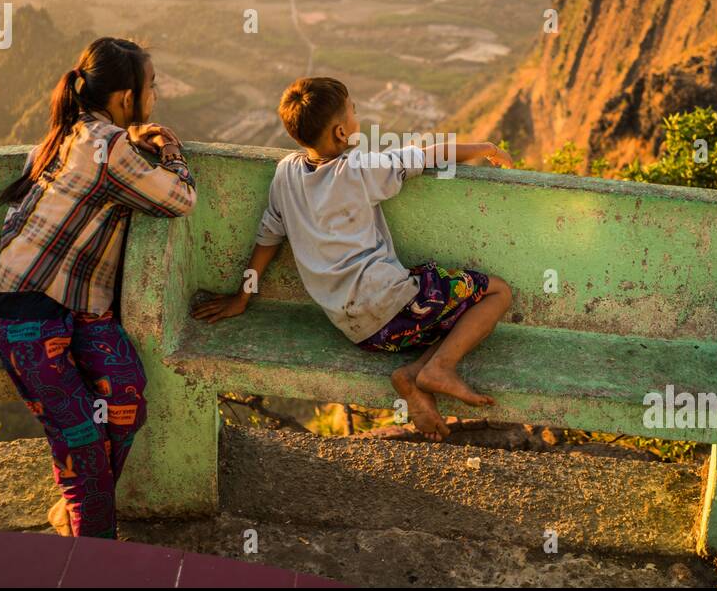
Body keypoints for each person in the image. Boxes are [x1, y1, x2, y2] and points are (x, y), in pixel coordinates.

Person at [193, 76, 512, 441]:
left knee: (434, 286)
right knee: (496, 292)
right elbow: (428, 153)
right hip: (399, 308)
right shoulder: (360, 169)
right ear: (342, 131)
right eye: (354, 111)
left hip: (361, 332)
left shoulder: (285, 175)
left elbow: (268, 236)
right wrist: (486, 146)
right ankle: (440, 367)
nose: (358, 116)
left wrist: (242, 296)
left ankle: (413, 375)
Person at [0, 36, 195, 537]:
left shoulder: (69, 133)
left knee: (126, 396)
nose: (156, 94)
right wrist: (169, 147)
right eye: (151, 86)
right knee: (80, 439)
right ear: (126, 99)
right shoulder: (112, 146)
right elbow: (180, 198)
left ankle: (77, 507)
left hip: (77, 306)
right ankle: (93, 549)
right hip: (27, 311)